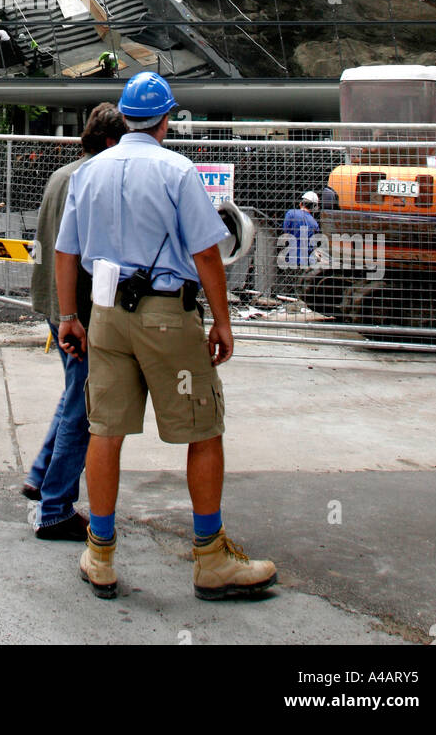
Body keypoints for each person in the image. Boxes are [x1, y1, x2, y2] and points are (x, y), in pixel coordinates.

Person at [55, 71, 276, 601]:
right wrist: (222, 321)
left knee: (105, 430)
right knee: (202, 430)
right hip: (166, 318)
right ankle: (211, 559)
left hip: (106, 315)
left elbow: (66, 252)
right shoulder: (178, 171)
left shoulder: (90, 172)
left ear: (125, 117)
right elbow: (206, 253)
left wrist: (69, 316)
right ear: (166, 120)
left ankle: (100, 555)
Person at [25, 104, 127, 540]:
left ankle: (40, 474)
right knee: (83, 409)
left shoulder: (62, 174)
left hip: (55, 306)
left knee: (74, 394)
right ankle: (55, 509)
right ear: (109, 141)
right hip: (77, 314)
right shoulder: (91, 181)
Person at [281, 191, 320, 272]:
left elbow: (285, 234)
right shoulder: (314, 224)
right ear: (314, 207)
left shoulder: (291, 214)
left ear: (301, 203)